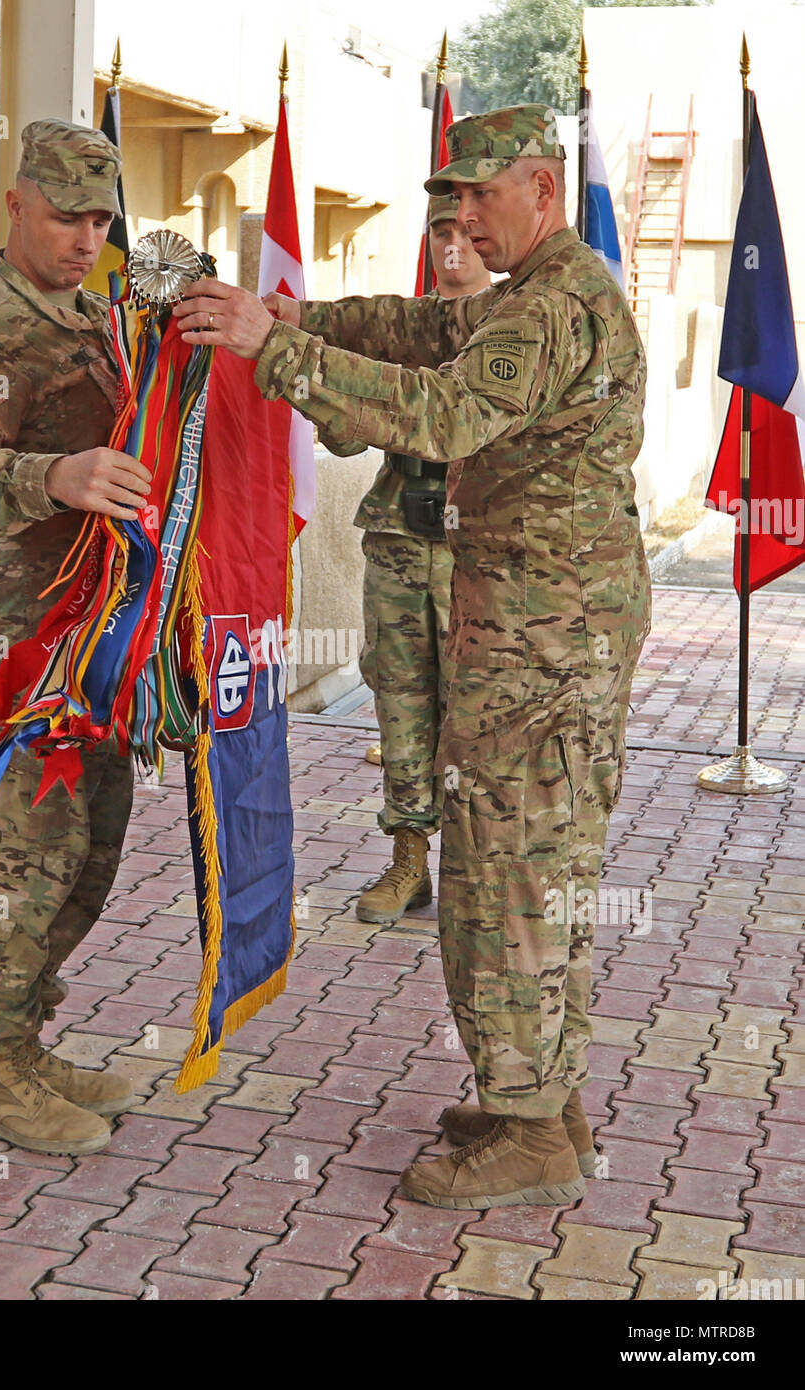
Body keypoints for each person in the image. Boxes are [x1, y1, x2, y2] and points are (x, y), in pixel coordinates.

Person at [173, 104, 651, 1209]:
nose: (459, 216)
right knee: (529, 866)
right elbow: (408, 329)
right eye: (453, 196)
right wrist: (296, 315)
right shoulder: (527, 296)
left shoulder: (553, 310)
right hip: (529, 631)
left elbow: (437, 415)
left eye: (480, 194)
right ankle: (538, 1095)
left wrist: (273, 347)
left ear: (540, 186)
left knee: (508, 872)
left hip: (543, 647)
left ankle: (528, 1124)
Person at [0, 119, 151, 1157]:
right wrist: (48, 475)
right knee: (27, 842)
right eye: (64, 216)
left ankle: (26, 1032)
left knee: (93, 837)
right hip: (18, 640)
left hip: (92, 627)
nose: (83, 237)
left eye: (99, 218)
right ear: (15, 206)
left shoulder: (96, 313)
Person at [354, 193, 490, 927]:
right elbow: (344, 437)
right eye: (440, 229)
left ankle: (477, 875)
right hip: (403, 542)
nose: (454, 245)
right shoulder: (400, 328)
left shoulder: (515, 328)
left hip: (482, 556)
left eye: (468, 231)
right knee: (401, 699)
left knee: (479, 713)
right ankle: (409, 862)